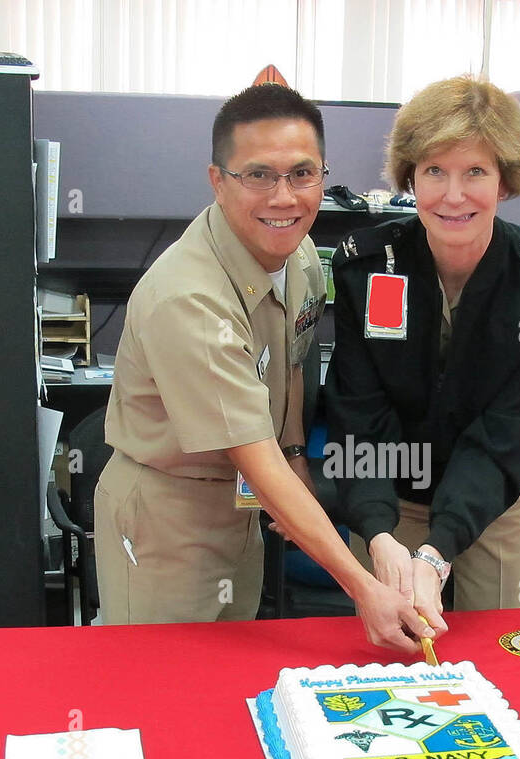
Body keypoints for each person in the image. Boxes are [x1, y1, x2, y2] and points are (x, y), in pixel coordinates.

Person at [94, 83, 442, 653]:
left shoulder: (298, 255)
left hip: (242, 506)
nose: (284, 197)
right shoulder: (189, 301)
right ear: (217, 181)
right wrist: (362, 587)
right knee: (163, 682)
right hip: (168, 519)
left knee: (233, 677)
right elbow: (252, 458)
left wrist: (298, 453)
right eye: (258, 175)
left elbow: (289, 366)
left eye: (302, 174)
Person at [328, 75, 520, 621]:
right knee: (391, 643)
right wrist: (376, 529)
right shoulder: (366, 269)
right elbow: (359, 413)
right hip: (393, 482)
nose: (453, 195)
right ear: (410, 178)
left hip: (504, 488)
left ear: (505, 182)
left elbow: (509, 431)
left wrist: (440, 548)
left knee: (498, 641)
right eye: (434, 172)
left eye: (476, 172)